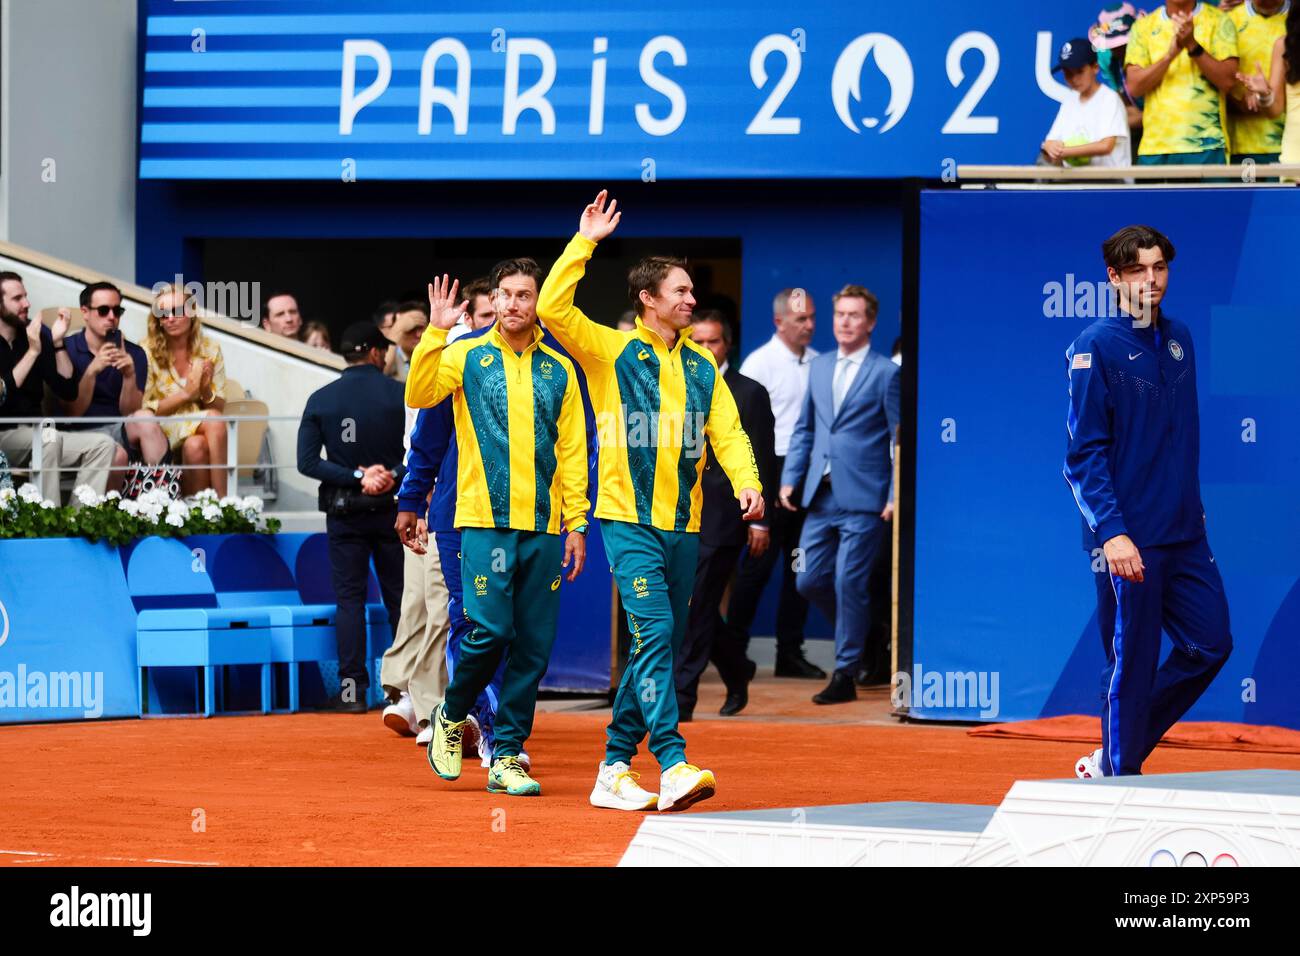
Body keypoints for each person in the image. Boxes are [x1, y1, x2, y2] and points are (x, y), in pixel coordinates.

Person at [538, 190, 764, 813]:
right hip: (627, 518)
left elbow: (728, 432)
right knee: (657, 632)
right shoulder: (610, 351)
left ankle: (613, 767)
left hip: (683, 525)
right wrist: (584, 242)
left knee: (651, 645)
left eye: (692, 292)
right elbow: (554, 309)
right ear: (649, 299)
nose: (693, 300)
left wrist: (748, 481)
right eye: (681, 292)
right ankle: (670, 760)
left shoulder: (701, 365)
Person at [408, 268, 590, 799]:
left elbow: (573, 452)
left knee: (534, 647)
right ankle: (451, 712)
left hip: (543, 525)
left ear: (537, 303)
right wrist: (436, 333)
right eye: (505, 295)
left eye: (524, 295)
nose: (514, 304)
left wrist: (577, 522)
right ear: (492, 299)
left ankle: (507, 755)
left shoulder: (560, 370)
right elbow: (421, 393)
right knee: (489, 631)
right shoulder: (463, 354)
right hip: (482, 522)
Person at [1065, 225, 1232, 778]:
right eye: (1137, 269)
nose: (1151, 279)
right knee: (1131, 666)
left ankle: (1119, 748)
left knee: (1211, 645)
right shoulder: (1095, 346)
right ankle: (1118, 775)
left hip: (1185, 532)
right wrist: (1111, 534)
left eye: (1159, 267)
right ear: (1114, 277)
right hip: (1129, 540)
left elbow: (1179, 434)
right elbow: (1082, 456)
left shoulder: (1180, 336)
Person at [780, 284, 900, 706]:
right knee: (809, 580)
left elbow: (896, 438)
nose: (845, 322)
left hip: (866, 497)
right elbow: (805, 429)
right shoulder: (819, 366)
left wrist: (893, 495)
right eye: (839, 315)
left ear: (869, 322)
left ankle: (845, 672)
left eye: (854, 315)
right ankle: (866, 635)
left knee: (850, 582)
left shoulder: (887, 372)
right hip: (821, 494)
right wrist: (790, 478)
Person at [297, 321, 407, 713]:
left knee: (350, 602)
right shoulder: (400, 394)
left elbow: (307, 463)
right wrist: (388, 475)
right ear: (376, 353)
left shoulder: (321, 398)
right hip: (395, 511)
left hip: (345, 514)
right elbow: (420, 450)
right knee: (401, 600)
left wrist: (357, 476)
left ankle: (352, 694)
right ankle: (405, 694)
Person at [674, 312, 777, 720]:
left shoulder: (749, 391)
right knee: (687, 603)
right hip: (679, 512)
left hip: (724, 517)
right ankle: (737, 668)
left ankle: (682, 700)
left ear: (727, 345)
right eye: (696, 341)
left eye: (712, 342)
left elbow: (761, 456)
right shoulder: (678, 380)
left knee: (696, 606)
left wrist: (760, 520)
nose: (704, 349)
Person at [731, 289, 824, 680]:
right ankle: (732, 652)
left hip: (810, 475)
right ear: (779, 322)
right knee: (756, 566)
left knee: (799, 568)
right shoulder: (759, 364)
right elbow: (743, 431)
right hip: (769, 470)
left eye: (812, 318)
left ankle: (790, 652)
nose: (809, 326)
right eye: (801, 319)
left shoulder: (820, 364)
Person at [0, 272, 115, 503]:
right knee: (47, 438)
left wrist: (57, 343)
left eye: (26, 296)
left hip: (38, 432)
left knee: (103, 445)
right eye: (17, 298)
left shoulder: (36, 333)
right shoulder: (32, 342)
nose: (27, 304)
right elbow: (3, 393)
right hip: (4, 433)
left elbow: (67, 390)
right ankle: (47, 524)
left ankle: (78, 523)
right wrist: (33, 353)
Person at [63, 282, 168, 491]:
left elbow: (129, 413)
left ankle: (161, 503)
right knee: (114, 451)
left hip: (118, 429)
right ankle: (111, 516)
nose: (112, 317)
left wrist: (129, 376)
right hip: (78, 434)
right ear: (85, 312)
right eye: (103, 310)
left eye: (117, 310)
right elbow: (72, 413)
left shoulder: (134, 353)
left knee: (145, 418)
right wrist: (92, 370)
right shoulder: (67, 349)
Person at [1125, 1, 1240, 166]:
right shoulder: (1142, 27)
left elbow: (1228, 82)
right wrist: (1169, 56)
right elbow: (1135, 87)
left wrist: (1192, 44)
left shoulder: (1220, 20)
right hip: (1156, 148)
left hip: (1208, 145)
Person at [142, 284, 229, 496]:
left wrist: (205, 389)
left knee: (196, 446)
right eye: (163, 314)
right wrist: (186, 395)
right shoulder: (146, 350)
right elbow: (145, 411)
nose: (170, 318)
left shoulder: (210, 349)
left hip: (201, 427)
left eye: (177, 311)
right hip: (162, 428)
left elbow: (219, 405)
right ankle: (227, 503)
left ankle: (199, 513)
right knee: (215, 421)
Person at [1041, 38, 1131, 168]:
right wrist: (1049, 147)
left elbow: (1106, 145)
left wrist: (1063, 152)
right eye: (1068, 74)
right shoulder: (1069, 102)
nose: (1074, 79)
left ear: (1095, 67)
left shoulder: (1109, 99)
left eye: (1079, 71)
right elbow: (1050, 142)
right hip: (1074, 181)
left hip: (1110, 183)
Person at [1224, 0, 1290, 165]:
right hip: (1241, 145)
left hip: (1290, 145)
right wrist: (1240, 100)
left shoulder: (1295, 20)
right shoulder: (1228, 20)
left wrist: (1265, 95)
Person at [1092, 3, 1146, 158]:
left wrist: (1144, 117)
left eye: (1124, 43)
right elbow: (1124, 108)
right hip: (1139, 131)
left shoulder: (1155, 47)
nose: (1119, 49)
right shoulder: (1105, 56)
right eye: (1113, 44)